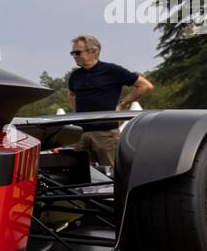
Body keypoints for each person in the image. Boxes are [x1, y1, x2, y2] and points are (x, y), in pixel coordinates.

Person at [65, 34, 152, 168]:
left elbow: (145, 85)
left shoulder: (112, 70)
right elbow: (71, 94)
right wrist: (78, 112)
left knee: (112, 174)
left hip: (106, 133)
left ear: (93, 51)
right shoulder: (76, 75)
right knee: (81, 176)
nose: (74, 56)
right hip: (81, 133)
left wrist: (122, 104)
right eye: (72, 53)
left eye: (77, 52)